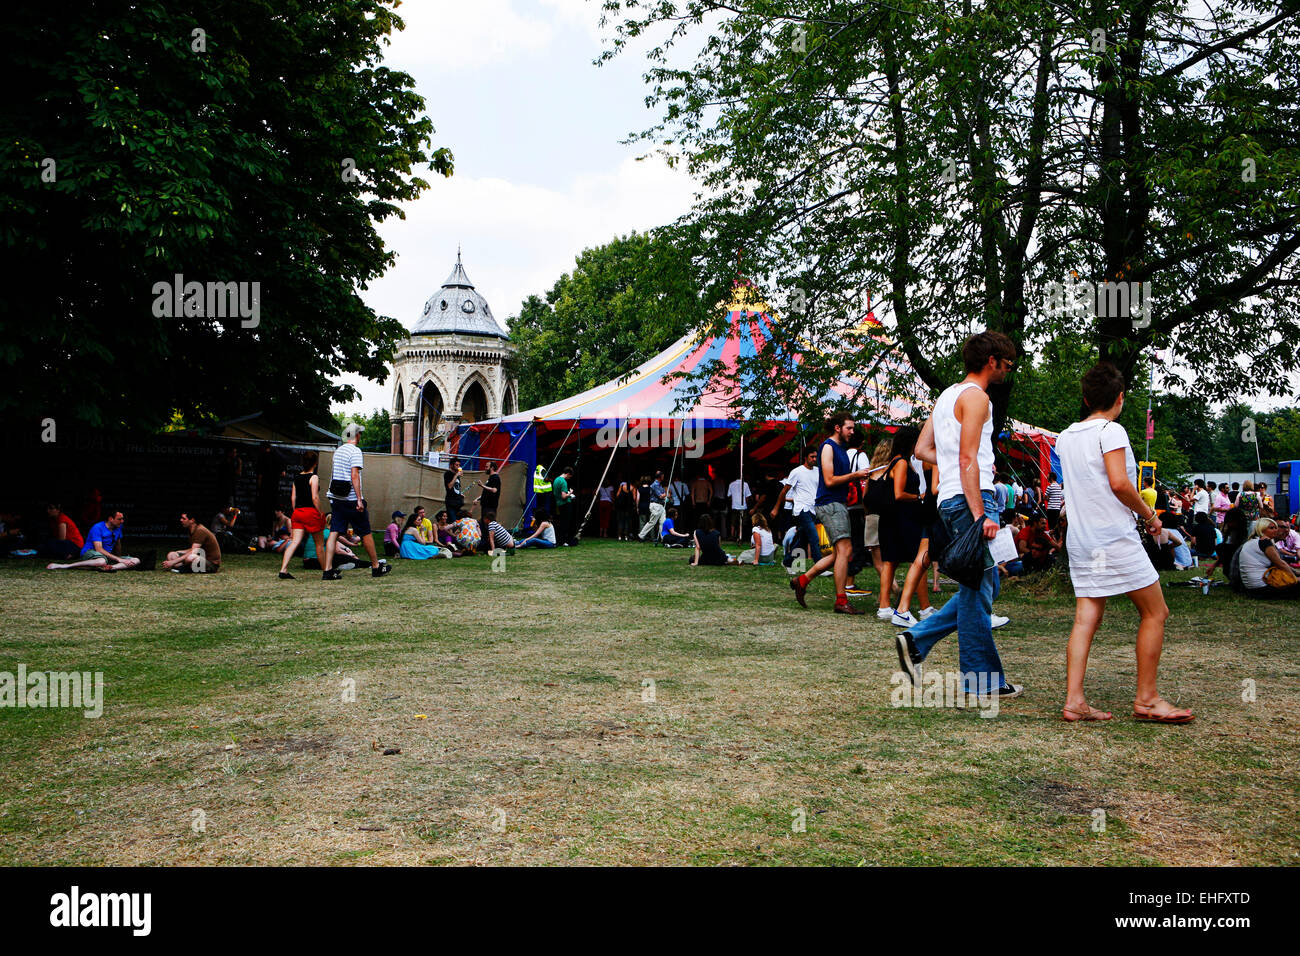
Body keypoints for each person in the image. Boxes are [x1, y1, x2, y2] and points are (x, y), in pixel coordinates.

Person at [1053, 362, 1191, 724]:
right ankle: (1146, 699)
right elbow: (1118, 483)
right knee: (1155, 612)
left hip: (1082, 540)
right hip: (1113, 537)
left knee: (1087, 617)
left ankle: (1074, 701)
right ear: (1120, 398)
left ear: (1085, 398)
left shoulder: (1065, 437)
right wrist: (1150, 516)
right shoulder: (1111, 432)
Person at [894, 331, 1023, 700]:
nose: (1008, 370)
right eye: (1007, 363)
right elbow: (968, 458)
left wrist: (957, 467)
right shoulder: (978, 398)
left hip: (950, 498)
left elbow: (922, 449)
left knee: (980, 584)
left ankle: (916, 640)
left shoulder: (947, 396)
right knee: (981, 587)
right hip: (971, 499)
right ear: (991, 361)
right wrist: (981, 513)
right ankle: (982, 680)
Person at [789, 413, 872, 614]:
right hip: (830, 504)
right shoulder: (828, 447)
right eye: (849, 428)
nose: (852, 432)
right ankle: (841, 600)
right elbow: (829, 480)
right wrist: (855, 475)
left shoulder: (842, 449)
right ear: (837, 427)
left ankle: (802, 580)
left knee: (839, 553)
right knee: (845, 551)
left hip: (838, 503)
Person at [322, 423, 391, 580]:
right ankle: (375, 566)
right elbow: (354, 475)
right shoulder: (356, 452)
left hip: (336, 497)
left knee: (334, 532)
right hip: (351, 498)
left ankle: (327, 570)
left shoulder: (338, 451)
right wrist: (359, 499)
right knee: (365, 532)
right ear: (357, 435)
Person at [876, 427, 924, 621]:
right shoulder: (902, 462)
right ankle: (919, 607)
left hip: (894, 517)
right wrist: (919, 496)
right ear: (911, 442)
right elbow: (899, 493)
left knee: (891, 561)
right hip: (900, 518)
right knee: (915, 560)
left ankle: (884, 605)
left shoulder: (896, 461)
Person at [278, 451, 329, 579]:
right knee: (319, 543)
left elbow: (293, 498)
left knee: (294, 541)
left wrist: (296, 511)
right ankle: (326, 571)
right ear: (315, 463)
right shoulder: (314, 477)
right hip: (310, 512)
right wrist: (321, 512)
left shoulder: (297, 477)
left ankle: (283, 570)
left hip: (298, 513)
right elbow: (315, 497)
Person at [773, 448, 822, 573]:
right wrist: (776, 508)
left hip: (813, 509)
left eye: (816, 457)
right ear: (805, 457)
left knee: (803, 539)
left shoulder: (818, 471)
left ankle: (787, 561)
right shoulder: (797, 472)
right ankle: (820, 567)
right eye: (812, 456)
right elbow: (784, 491)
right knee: (814, 538)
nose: (814, 459)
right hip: (801, 509)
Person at [47, 510, 140, 571]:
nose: (122, 521)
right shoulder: (98, 527)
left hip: (107, 557)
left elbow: (118, 544)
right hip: (91, 553)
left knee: (136, 560)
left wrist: (120, 559)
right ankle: (65, 566)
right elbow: (98, 549)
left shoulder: (118, 527)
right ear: (111, 519)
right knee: (101, 561)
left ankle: (110, 568)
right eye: (119, 519)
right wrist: (118, 559)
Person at [1234, 518, 1300, 598]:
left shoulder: (1253, 541)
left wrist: (1297, 573)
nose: (1275, 530)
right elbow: (1280, 563)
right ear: (1261, 529)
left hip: (1251, 588)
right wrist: (1295, 578)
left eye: (1275, 527)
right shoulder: (1265, 542)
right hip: (1262, 587)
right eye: (1271, 528)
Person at [255, 441, 285, 542]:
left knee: (262, 512)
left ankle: (262, 534)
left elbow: (260, 475)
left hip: (264, 489)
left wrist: (258, 488)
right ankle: (270, 535)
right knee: (271, 513)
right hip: (274, 489)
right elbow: (283, 473)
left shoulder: (262, 457)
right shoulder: (278, 456)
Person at [552, 465, 577, 545]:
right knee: (565, 524)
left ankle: (559, 540)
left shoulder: (556, 479)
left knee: (561, 522)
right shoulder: (563, 481)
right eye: (570, 476)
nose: (569, 478)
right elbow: (563, 496)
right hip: (565, 504)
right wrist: (570, 493)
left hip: (558, 503)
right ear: (568, 474)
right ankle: (563, 541)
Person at [637, 473, 666, 542]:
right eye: (663, 476)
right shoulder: (655, 485)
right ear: (660, 477)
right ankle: (641, 535)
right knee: (652, 522)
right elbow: (660, 496)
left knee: (663, 522)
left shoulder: (659, 485)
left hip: (660, 505)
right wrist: (666, 494)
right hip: (656, 505)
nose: (663, 477)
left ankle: (663, 538)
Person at [727, 473, 752, 541]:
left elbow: (729, 496)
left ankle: (732, 535)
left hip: (734, 505)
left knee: (733, 522)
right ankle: (739, 535)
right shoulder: (745, 484)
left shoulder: (731, 484)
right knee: (742, 522)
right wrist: (747, 504)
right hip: (743, 506)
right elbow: (747, 496)